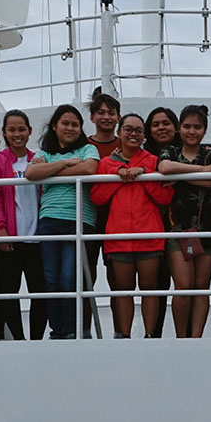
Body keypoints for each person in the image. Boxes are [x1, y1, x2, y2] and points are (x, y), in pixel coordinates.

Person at [90, 113, 174, 339]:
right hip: (118, 237)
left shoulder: (153, 161)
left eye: (138, 130)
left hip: (149, 235)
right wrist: (117, 175)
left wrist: (143, 174)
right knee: (123, 291)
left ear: (144, 136)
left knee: (149, 289)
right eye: (128, 129)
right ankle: (124, 338)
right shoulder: (106, 163)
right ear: (119, 132)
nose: (133, 134)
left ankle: (149, 337)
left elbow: (165, 197)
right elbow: (97, 197)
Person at [25, 105, 100, 339]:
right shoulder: (45, 152)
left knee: (69, 279)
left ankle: (70, 331)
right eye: (65, 123)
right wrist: (65, 164)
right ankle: (57, 331)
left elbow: (89, 169)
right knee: (51, 280)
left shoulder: (88, 149)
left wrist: (49, 172)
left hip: (79, 220)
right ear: (55, 126)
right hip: (49, 220)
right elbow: (30, 173)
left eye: (75, 124)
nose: (70, 128)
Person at [159, 105, 211, 338]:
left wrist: (180, 178)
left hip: (208, 228)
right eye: (187, 126)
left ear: (204, 130)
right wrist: (201, 171)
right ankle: (181, 339)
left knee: (201, 288)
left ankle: (196, 339)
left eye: (197, 127)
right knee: (184, 286)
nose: (192, 131)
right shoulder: (171, 151)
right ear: (179, 128)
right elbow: (164, 167)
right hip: (178, 228)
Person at [0, 110, 40, 341]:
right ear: (5, 133)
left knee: (40, 292)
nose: (17, 134)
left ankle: (36, 339)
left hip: (38, 238)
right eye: (12, 130)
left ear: (29, 131)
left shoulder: (38, 159)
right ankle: (19, 339)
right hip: (10, 238)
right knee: (9, 291)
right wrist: (0, 228)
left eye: (21, 129)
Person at [84, 91, 121, 334]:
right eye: (101, 112)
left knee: (117, 278)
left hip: (118, 220)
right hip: (88, 217)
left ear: (118, 117)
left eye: (111, 112)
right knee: (86, 277)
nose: (106, 117)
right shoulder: (83, 145)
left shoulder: (125, 144)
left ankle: (120, 330)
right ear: (92, 117)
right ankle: (84, 331)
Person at [142, 106, 179, 336]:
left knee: (184, 283)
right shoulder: (141, 155)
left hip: (181, 225)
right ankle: (154, 334)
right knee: (157, 283)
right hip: (151, 225)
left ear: (175, 127)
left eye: (166, 123)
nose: (161, 128)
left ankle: (186, 337)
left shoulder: (186, 152)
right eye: (155, 124)